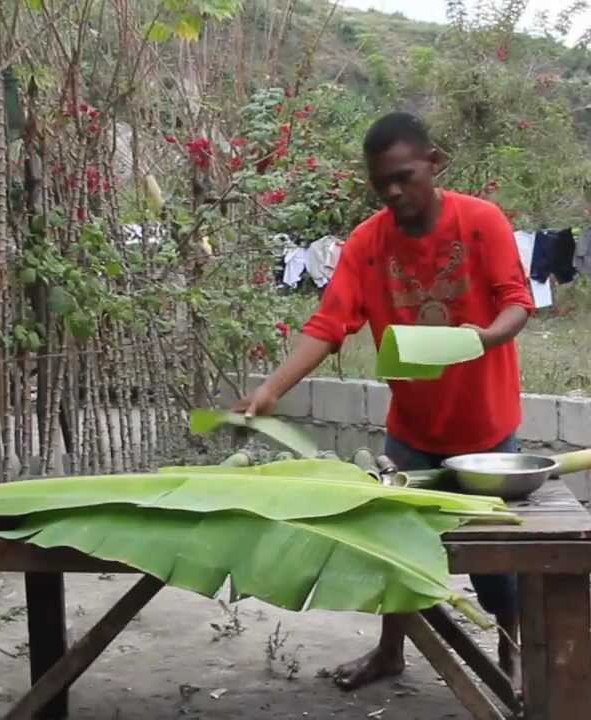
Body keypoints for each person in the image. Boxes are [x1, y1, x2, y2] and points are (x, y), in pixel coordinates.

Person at [232, 111, 535, 691]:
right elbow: (328, 325)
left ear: (434, 163)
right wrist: (271, 390)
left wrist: (484, 338)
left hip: (487, 431)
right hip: (412, 429)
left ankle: (510, 648)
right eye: (381, 183)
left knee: (498, 565)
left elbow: (516, 300)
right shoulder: (368, 245)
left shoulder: (481, 222)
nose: (394, 191)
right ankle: (390, 651)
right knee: (395, 553)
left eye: (404, 176)